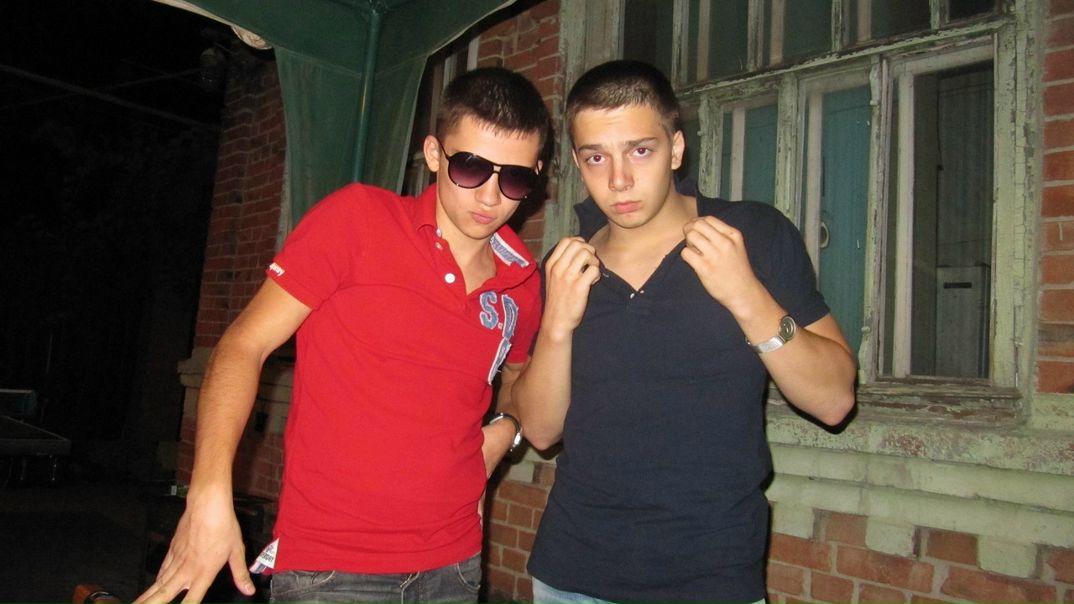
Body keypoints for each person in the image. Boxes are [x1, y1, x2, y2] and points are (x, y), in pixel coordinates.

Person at [133, 67, 551, 604]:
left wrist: (507, 428)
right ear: (433, 153)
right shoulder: (357, 220)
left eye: (513, 178)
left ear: (536, 174)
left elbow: (518, 381)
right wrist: (209, 492)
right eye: (470, 167)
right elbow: (242, 346)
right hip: (333, 569)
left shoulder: (521, 281)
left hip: (456, 564)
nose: (490, 197)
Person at [512, 60, 857, 604]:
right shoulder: (564, 264)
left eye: (639, 151)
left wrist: (745, 294)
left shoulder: (752, 234)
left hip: (711, 576)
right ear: (578, 163)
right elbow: (540, 430)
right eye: (596, 157)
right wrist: (557, 325)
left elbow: (834, 400)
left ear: (675, 149)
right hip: (572, 576)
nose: (618, 180)